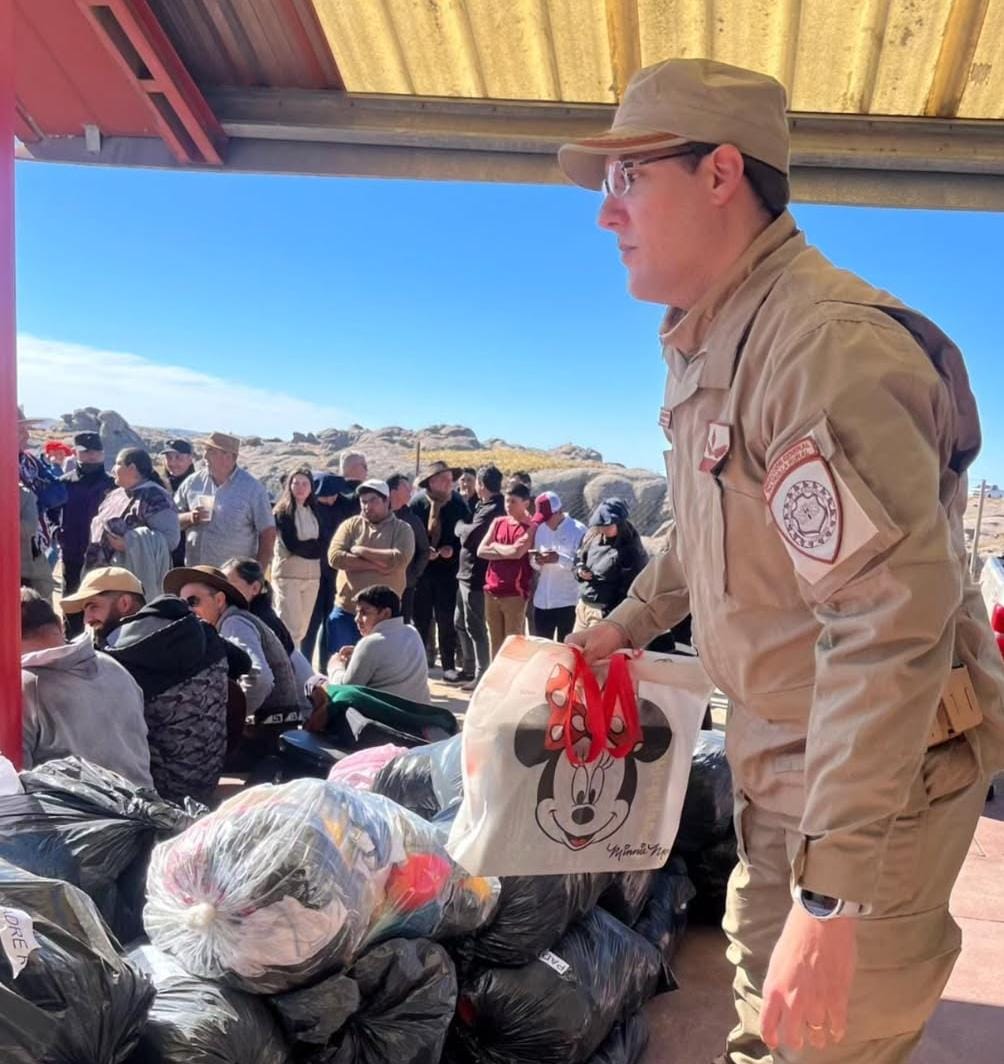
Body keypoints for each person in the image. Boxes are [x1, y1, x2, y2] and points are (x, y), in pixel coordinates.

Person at [559, 56, 1004, 1063]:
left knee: (830, 1041)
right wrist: (621, 624)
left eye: (627, 178)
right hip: (782, 762)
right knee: (769, 1020)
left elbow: (885, 625)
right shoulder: (714, 341)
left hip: (871, 789)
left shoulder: (822, 349)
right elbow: (710, 529)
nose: (604, 213)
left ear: (721, 173)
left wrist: (834, 887)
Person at [100, 593, 237, 806]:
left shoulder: (124, 664)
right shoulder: (211, 641)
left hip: (162, 796)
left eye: (92, 606)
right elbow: (246, 665)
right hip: (209, 781)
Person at [20, 588, 153, 788]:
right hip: (146, 808)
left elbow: (10, 788)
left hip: (81, 816)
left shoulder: (24, 689)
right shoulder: (114, 667)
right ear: (59, 624)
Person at [165, 565, 300, 727]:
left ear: (219, 600)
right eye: (183, 605)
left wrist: (227, 722)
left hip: (265, 733)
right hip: (273, 727)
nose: (188, 611)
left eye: (193, 602)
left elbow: (260, 679)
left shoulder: (234, 623)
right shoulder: (230, 623)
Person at [328, 479, 415, 652]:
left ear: (386, 501)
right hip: (348, 611)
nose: (367, 506)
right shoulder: (350, 526)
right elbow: (335, 557)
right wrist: (377, 565)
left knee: (381, 668)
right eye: (364, 501)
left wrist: (360, 550)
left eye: (373, 500)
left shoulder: (402, 529)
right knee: (343, 662)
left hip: (384, 617)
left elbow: (399, 559)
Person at [84, 448, 180, 601]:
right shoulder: (116, 494)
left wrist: (129, 542)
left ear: (132, 468)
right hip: (103, 576)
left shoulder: (155, 497)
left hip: (133, 581)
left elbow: (171, 538)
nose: (113, 469)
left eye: (117, 464)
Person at [303, 452, 367, 671]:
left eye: (333, 495)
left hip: (336, 575)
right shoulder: (308, 508)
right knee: (309, 625)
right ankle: (304, 666)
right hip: (312, 573)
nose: (330, 499)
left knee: (330, 623)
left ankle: (327, 667)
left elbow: (358, 492)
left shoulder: (344, 504)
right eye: (325, 495)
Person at [174, 431, 276, 569]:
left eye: (210, 451)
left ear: (228, 457)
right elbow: (171, 519)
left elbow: (268, 533)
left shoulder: (253, 489)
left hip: (234, 579)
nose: (204, 456)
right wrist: (190, 517)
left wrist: (258, 574)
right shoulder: (193, 482)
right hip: (195, 572)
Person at [220, 556, 317, 695]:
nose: (223, 590)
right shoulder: (253, 614)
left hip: (299, 702)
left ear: (254, 588)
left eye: (230, 584)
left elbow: (261, 678)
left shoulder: (254, 621)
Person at [326, 585, 429, 704]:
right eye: (357, 613)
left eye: (364, 613)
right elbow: (391, 655)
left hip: (387, 718)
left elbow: (346, 690)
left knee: (318, 684)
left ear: (386, 613)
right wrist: (359, 654)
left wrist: (335, 666)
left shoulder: (370, 644)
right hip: (420, 715)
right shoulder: (412, 632)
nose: (356, 619)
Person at [452, 464, 505, 686]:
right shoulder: (482, 506)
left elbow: (470, 537)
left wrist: (460, 527)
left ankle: (483, 674)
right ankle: (469, 666)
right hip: (464, 575)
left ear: (481, 485)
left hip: (477, 576)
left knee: (475, 626)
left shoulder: (495, 509)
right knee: (460, 622)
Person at [410, 461, 466, 673]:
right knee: (421, 620)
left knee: (446, 619)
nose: (449, 484)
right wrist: (424, 552)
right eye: (444, 480)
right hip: (421, 573)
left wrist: (451, 549)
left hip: (447, 572)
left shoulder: (458, 504)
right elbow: (409, 535)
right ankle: (419, 666)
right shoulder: (416, 505)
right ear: (432, 483)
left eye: (451, 480)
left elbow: (464, 534)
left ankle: (449, 666)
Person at [57, 432, 115, 634]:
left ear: (103, 453)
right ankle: (70, 644)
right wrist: (59, 534)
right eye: (86, 452)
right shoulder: (64, 483)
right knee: (72, 601)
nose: (91, 456)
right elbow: (51, 515)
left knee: (103, 604)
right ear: (75, 453)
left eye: (96, 452)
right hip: (73, 553)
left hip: (104, 557)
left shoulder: (113, 485)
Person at [477, 481, 535, 659]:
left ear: (525, 503)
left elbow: (517, 553)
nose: (508, 506)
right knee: (495, 642)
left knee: (513, 644)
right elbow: (481, 551)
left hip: (514, 593)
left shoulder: (531, 526)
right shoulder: (498, 522)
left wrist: (495, 546)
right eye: (507, 501)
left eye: (513, 502)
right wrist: (504, 550)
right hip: (492, 590)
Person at [573, 499, 648, 631]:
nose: (603, 529)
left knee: (595, 651)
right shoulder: (593, 538)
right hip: (583, 606)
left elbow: (631, 588)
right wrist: (580, 571)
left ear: (619, 524)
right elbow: (578, 559)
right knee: (574, 648)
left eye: (607, 525)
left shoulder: (631, 551)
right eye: (600, 525)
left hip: (604, 613)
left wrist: (614, 618)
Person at [272, 466, 323, 646]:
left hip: (312, 577)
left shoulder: (314, 511)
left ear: (311, 487)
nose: (300, 487)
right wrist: (313, 547)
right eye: (296, 483)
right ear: (289, 486)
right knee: (289, 628)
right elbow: (292, 544)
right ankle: (286, 668)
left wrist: (311, 547)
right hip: (288, 576)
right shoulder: (283, 512)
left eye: (305, 484)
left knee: (302, 629)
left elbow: (323, 543)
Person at [528, 491, 586, 642]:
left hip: (567, 602)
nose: (545, 522)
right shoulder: (541, 529)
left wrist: (558, 558)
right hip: (542, 601)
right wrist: (537, 561)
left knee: (565, 649)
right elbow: (534, 565)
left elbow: (582, 567)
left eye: (548, 518)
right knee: (541, 650)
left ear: (559, 511)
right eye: (542, 519)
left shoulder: (579, 530)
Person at [18, 406, 62, 599]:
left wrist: (34, 501)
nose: (26, 435)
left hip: (35, 547)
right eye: (20, 430)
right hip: (16, 548)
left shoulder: (30, 461)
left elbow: (59, 492)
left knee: (41, 606)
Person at [59, 566, 146, 648]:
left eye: (93, 606)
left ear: (124, 603)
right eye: (84, 610)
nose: (86, 620)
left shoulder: (155, 647)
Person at [387, 472, 430, 624]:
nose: (410, 492)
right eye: (406, 488)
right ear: (393, 491)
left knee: (401, 625)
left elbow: (424, 550)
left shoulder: (412, 520)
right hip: (379, 582)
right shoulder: (378, 515)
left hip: (405, 587)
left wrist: (413, 576)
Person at [160, 439, 196, 566]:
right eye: (169, 458)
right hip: (162, 552)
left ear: (190, 459)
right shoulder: (158, 484)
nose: (172, 463)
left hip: (189, 552)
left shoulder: (199, 486)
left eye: (178, 458)